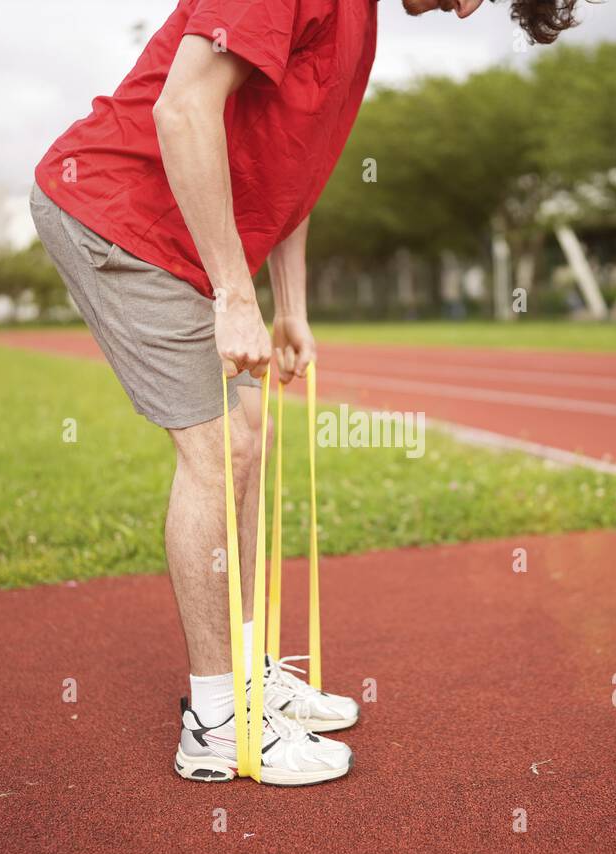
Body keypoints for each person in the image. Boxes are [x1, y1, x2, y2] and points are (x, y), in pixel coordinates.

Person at [29, 0, 580, 786]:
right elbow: (183, 109)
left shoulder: (363, 21)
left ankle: (248, 673)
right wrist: (232, 291)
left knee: (250, 442)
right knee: (222, 452)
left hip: (178, 235)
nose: (466, 8)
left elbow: (290, 165)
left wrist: (290, 306)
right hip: (114, 216)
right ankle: (217, 724)